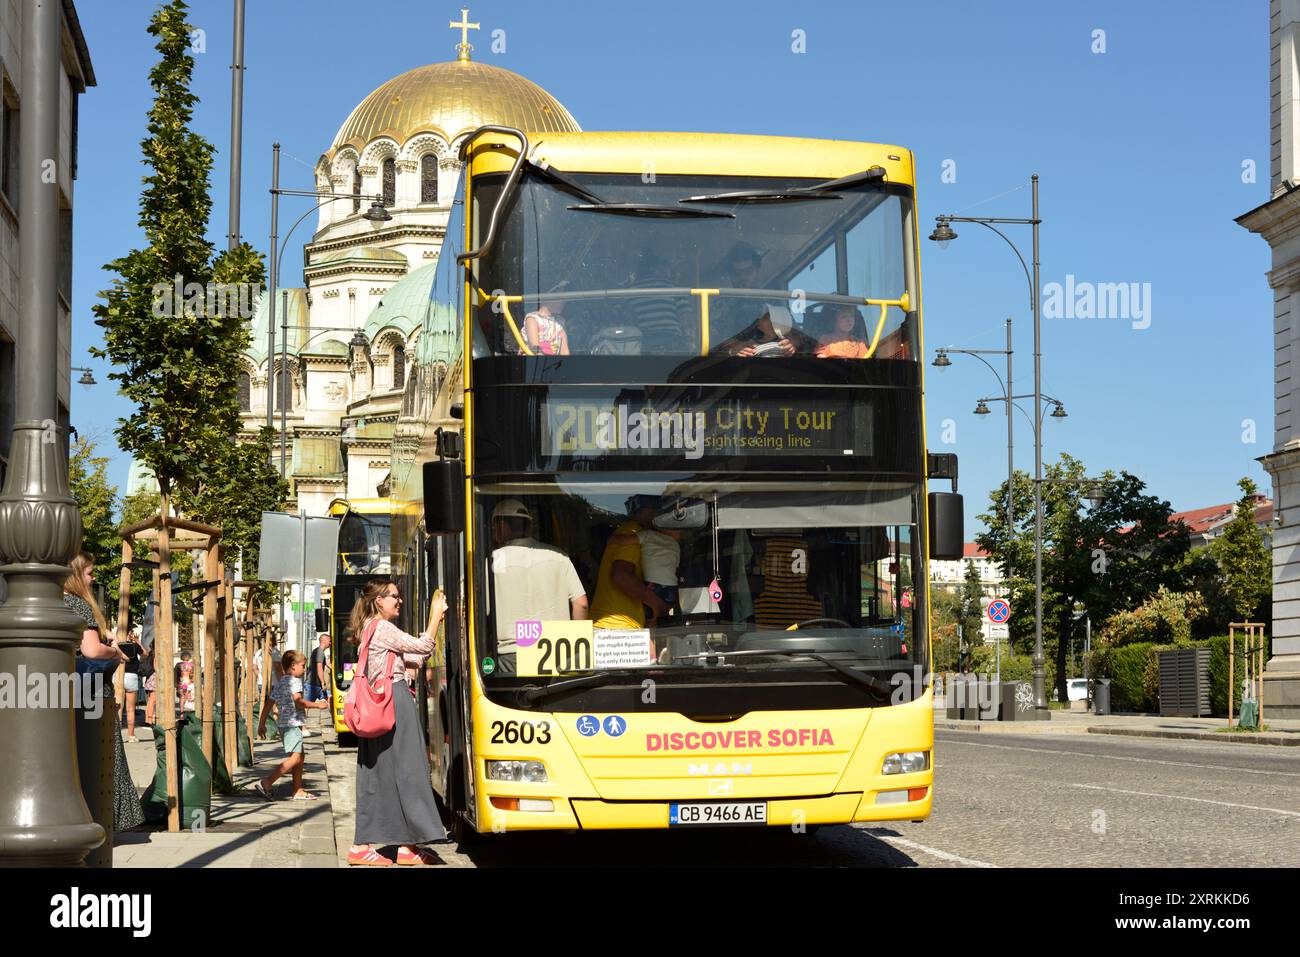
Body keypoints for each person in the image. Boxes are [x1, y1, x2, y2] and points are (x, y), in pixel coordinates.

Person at [348, 580, 448, 866]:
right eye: (394, 596)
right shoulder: (381, 627)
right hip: (394, 701)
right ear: (379, 600)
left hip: (382, 704)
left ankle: (403, 845)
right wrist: (434, 619)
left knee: (386, 772)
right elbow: (422, 645)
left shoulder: (372, 628)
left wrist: (428, 635)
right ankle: (381, 845)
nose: (399, 601)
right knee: (411, 769)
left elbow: (416, 657)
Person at [63, 552, 145, 834]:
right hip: (94, 691)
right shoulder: (78, 604)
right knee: (104, 755)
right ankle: (106, 821)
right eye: (89, 573)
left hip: (65, 689)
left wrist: (103, 633)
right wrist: (114, 651)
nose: (93, 577)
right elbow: (91, 650)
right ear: (76, 576)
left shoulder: (56, 603)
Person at [489, 500, 588, 675]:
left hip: (511, 656)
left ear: (501, 525)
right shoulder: (559, 556)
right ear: (528, 526)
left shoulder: (492, 563)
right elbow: (581, 604)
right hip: (560, 654)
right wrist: (577, 649)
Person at [255, 650, 328, 801]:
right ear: (293, 666)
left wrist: (261, 723)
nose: (305, 669)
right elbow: (298, 701)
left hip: (284, 725)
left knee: (299, 757)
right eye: (303, 666)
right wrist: (317, 705)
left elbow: (269, 704)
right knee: (295, 758)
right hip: (292, 725)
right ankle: (267, 782)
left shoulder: (282, 681)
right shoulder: (295, 682)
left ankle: (297, 790)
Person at [590, 496, 670, 630]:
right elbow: (621, 575)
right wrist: (656, 604)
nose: (659, 514)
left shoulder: (627, 532)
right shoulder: (632, 533)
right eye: (656, 509)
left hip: (613, 622)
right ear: (645, 510)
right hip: (617, 625)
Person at [523, 283, 570, 355]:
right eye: (560, 298)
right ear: (546, 298)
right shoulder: (532, 319)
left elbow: (565, 351)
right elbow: (535, 348)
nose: (564, 301)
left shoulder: (560, 322)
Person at [119, 624, 143, 743]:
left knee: (117, 707)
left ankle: (115, 735)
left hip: (117, 676)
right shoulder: (134, 646)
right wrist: (137, 641)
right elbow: (145, 653)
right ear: (129, 633)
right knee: (130, 709)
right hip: (131, 676)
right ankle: (131, 736)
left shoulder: (115, 644)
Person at [305, 633, 331, 706]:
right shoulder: (320, 652)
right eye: (329, 641)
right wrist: (323, 683)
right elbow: (319, 668)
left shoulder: (318, 651)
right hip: (313, 685)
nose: (330, 643)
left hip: (317, 685)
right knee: (306, 706)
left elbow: (328, 664)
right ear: (324, 641)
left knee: (330, 700)